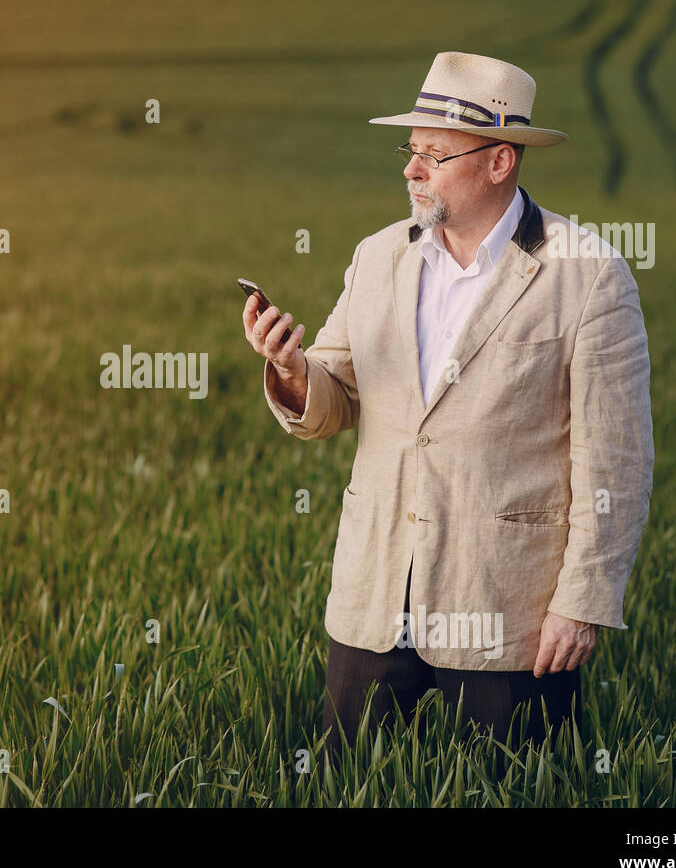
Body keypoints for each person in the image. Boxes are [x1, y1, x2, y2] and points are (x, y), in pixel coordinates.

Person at [241, 51, 654, 760]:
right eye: (411, 151)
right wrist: (290, 368)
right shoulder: (378, 257)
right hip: (377, 595)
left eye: (435, 155)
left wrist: (582, 602)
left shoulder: (588, 275)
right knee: (349, 784)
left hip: (508, 610)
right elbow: (333, 401)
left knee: (512, 790)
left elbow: (616, 459)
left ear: (499, 162)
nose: (411, 170)